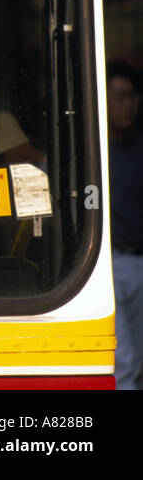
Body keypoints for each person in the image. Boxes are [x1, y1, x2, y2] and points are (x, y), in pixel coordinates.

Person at [106, 61, 143, 389]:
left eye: (132, 97)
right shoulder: (92, 154)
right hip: (108, 266)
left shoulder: (139, 148)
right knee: (125, 361)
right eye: (120, 97)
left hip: (139, 262)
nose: (129, 105)